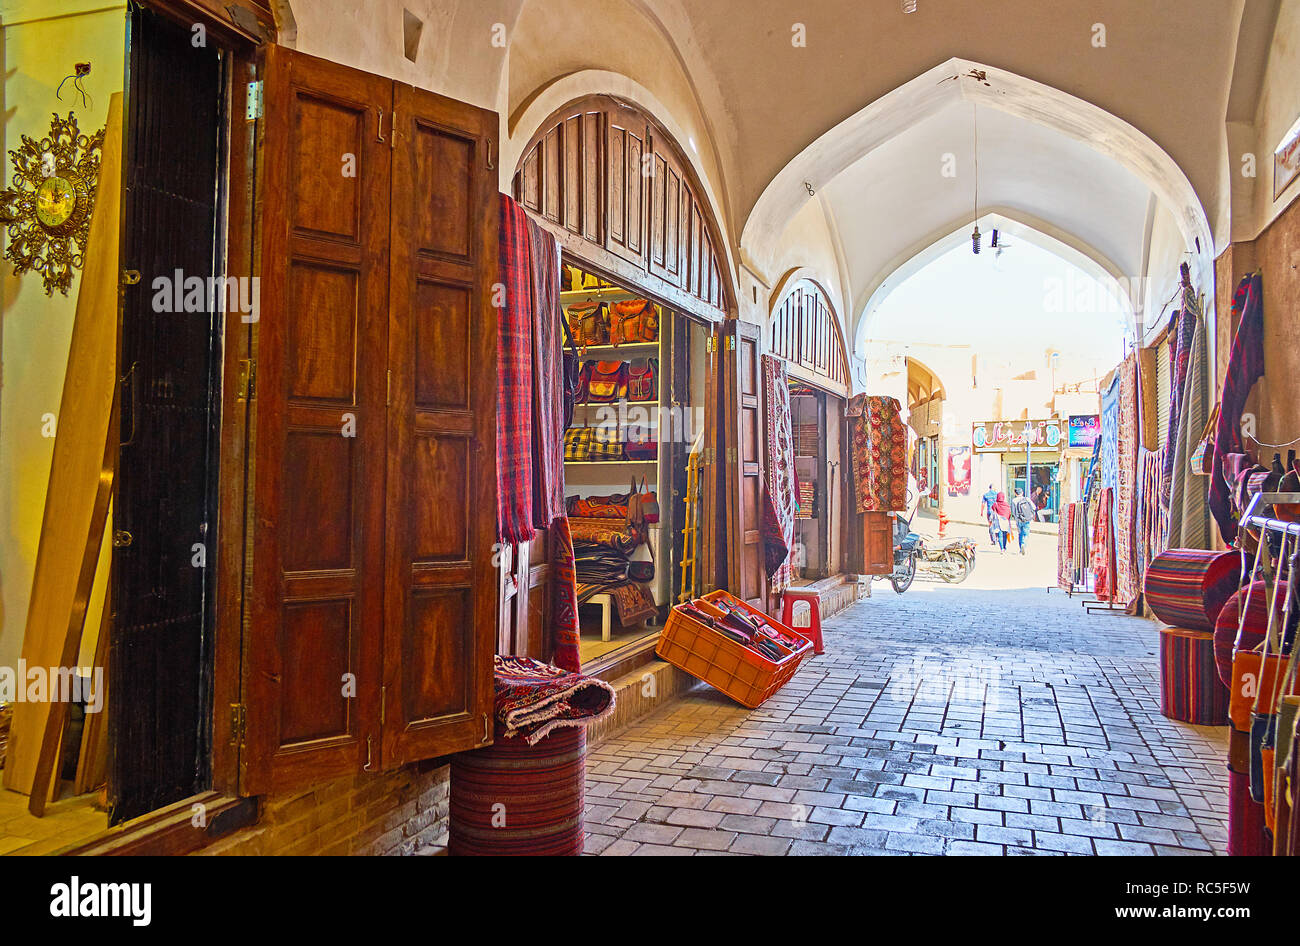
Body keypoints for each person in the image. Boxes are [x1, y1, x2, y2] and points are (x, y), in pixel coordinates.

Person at [1012, 487, 1036, 554]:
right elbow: (1034, 507)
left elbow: (1013, 512)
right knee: (1026, 534)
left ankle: (1020, 548)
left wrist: (1016, 520)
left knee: (1020, 534)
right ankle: (1023, 544)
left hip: (1019, 520)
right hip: (1027, 519)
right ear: (1022, 493)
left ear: (1015, 493)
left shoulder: (1014, 501)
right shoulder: (1027, 499)